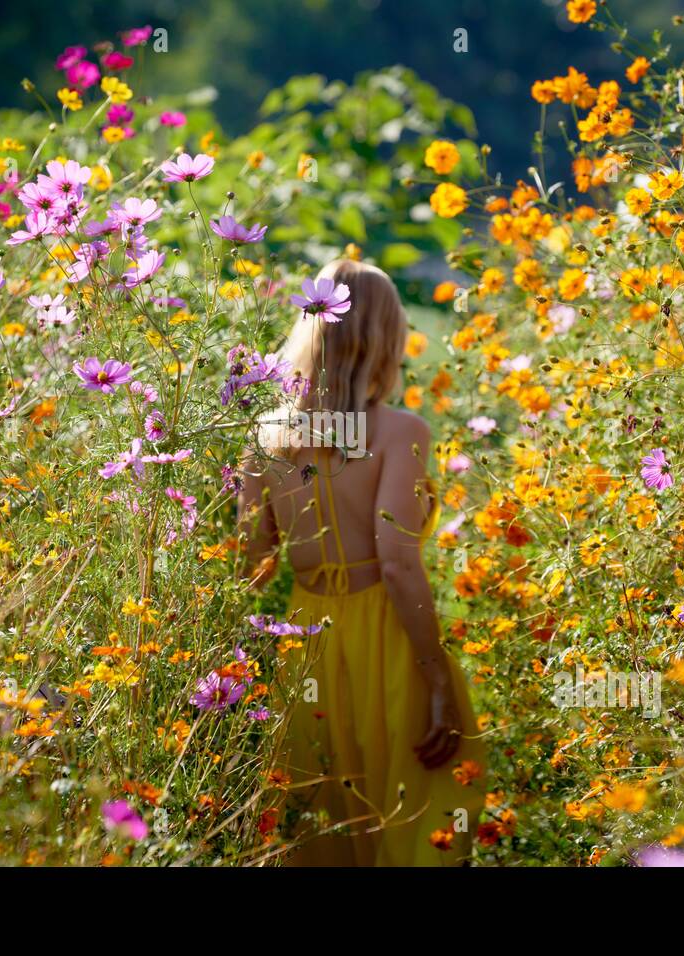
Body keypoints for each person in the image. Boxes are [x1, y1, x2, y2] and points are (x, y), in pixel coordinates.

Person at [239, 259, 486, 866]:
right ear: (382, 336)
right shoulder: (399, 431)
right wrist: (435, 678)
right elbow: (397, 562)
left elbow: (253, 560)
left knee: (320, 824)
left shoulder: (268, 432)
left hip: (306, 641)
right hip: (386, 634)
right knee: (417, 818)